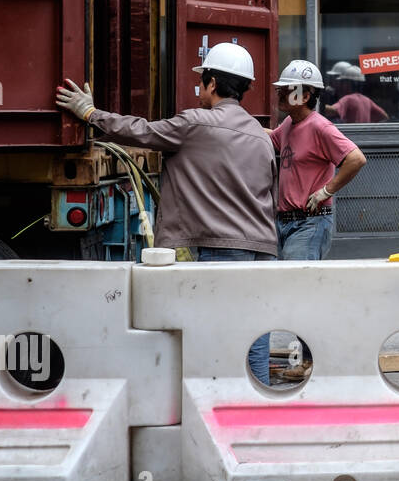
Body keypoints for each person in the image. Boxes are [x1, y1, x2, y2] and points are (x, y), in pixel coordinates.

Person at [55, 43, 279, 379]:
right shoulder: (261, 137)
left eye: (202, 81)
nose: (200, 89)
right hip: (263, 249)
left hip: (221, 250)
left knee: (214, 341)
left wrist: (90, 113)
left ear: (213, 84)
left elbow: (142, 131)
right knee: (254, 336)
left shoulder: (196, 123)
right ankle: (258, 405)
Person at [269, 60, 366, 260]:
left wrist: (326, 191)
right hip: (286, 223)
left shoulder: (320, 127)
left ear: (305, 96)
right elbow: (270, 138)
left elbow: (356, 159)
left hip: (310, 223)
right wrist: (240, 125)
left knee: (296, 283)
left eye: (287, 90)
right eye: (281, 89)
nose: (280, 94)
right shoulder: (289, 123)